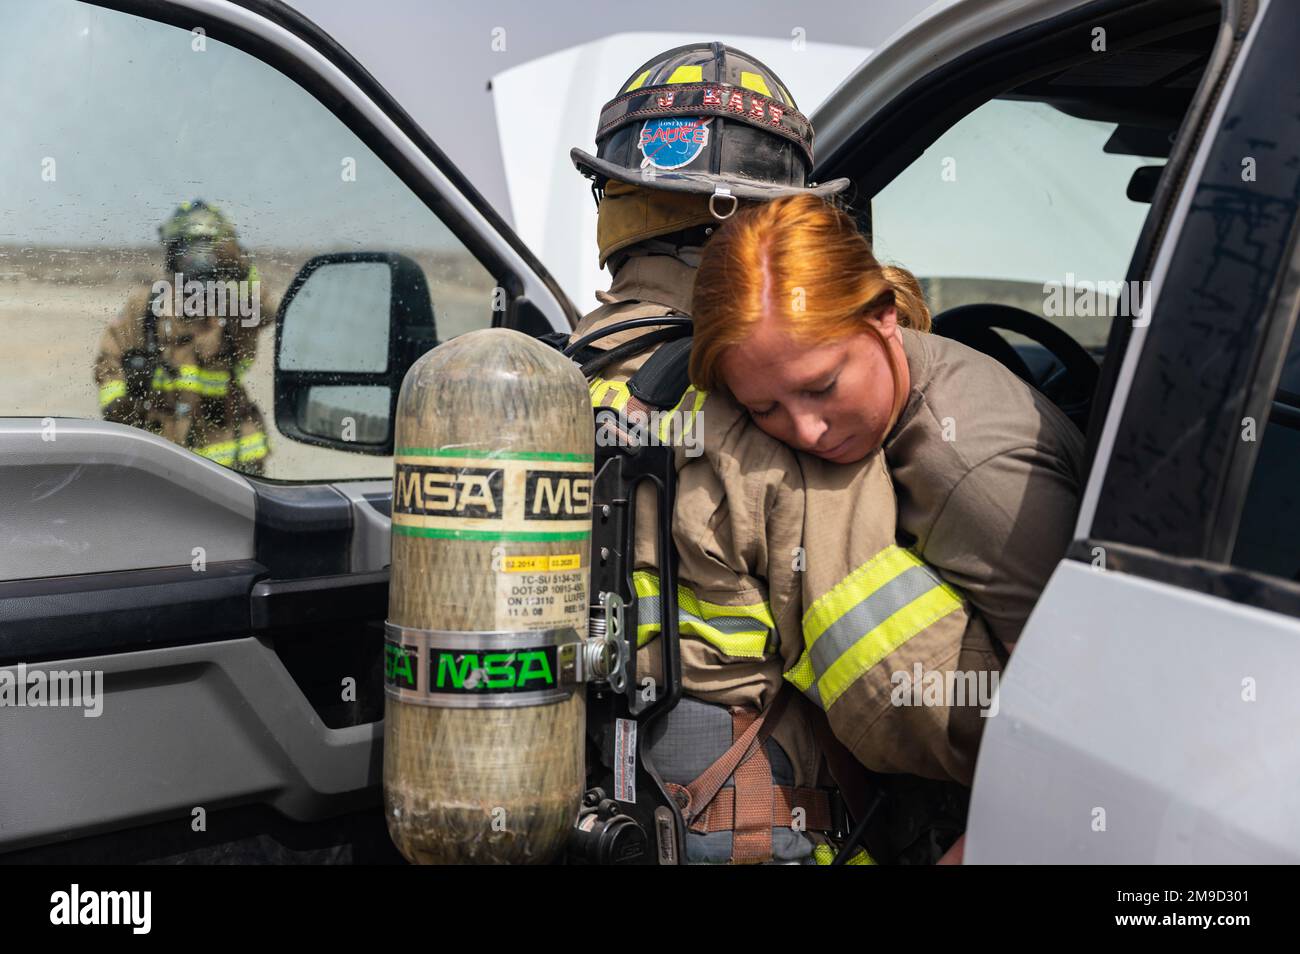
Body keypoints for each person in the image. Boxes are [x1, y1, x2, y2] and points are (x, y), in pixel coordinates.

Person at [569, 43, 997, 864]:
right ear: (770, 223)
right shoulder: (770, 427)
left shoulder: (546, 380)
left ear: (613, 208)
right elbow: (906, 694)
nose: (798, 416)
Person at [691, 192, 1087, 668]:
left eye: (822, 387)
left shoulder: (968, 476)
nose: (807, 431)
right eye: (764, 408)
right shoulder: (910, 372)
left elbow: (1066, 687)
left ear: (882, 315)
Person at [94, 200, 274, 476]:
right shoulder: (147, 305)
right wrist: (123, 407)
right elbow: (109, 362)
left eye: (208, 251)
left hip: (232, 461)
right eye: (188, 252)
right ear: (172, 254)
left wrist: (240, 266)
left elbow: (269, 310)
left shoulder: (232, 304)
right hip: (161, 457)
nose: (198, 263)